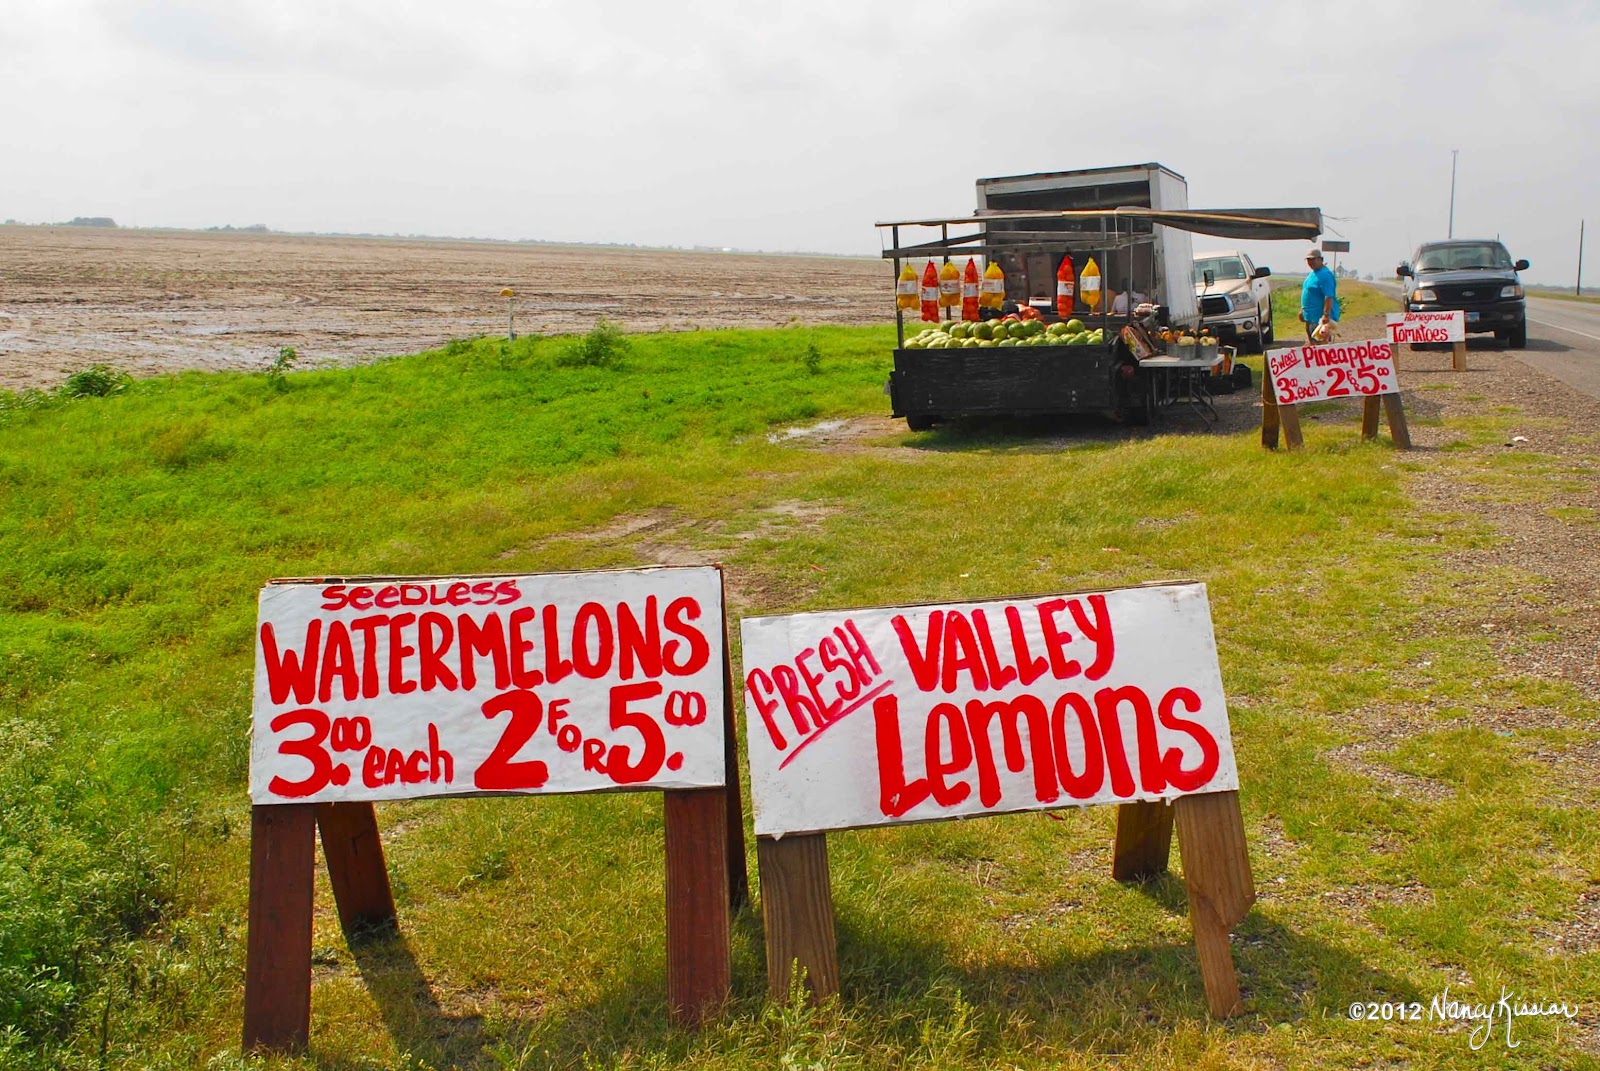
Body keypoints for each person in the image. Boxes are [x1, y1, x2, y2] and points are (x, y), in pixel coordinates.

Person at [1300, 248, 1339, 341]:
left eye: (1313, 259)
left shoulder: (1325, 275)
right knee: (1312, 347)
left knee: (1321, 347)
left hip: (1320, 319)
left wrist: (1326, 315)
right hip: (1310, 317)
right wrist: (1302, 310)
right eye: (1308, 260)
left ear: (1320, 259)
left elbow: (1329, 296)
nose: (1310, 262)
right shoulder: (1313, 274)